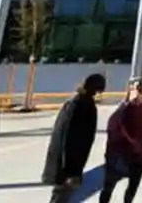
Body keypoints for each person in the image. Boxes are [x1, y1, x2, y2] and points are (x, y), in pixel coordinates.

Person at [43, 73, 107, 203]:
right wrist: (71, 172)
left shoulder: (80, 102)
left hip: (70, 164)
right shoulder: (80, 104)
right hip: (67, 166)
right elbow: (68, 139)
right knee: (61, 196)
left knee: (62, 196)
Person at [100, 77, 142, 203]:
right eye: (133, 88)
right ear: (129, 90)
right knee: (108, 187)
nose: (137, 92)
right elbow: (113, 126)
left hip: (139, 156)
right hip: (120, 155)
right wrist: (131, 141)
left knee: (132, 189)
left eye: (140, 89)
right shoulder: (124, 107)